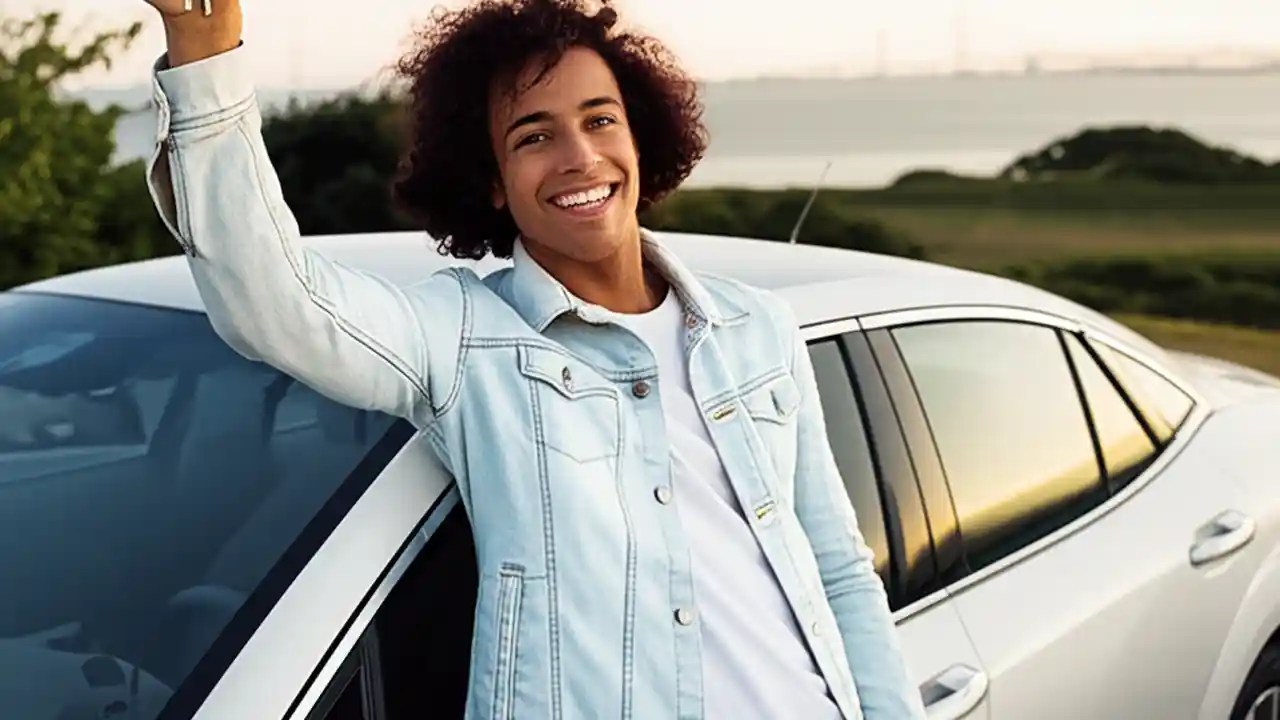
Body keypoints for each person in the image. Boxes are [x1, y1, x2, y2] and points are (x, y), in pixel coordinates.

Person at [141, 0, 928, 717]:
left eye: (600, 120)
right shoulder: (465, 341)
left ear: (638, 135)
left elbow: (837, 572)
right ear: (491, 181)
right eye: (534, 136)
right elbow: (276, 303)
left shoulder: (757, 328)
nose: (580, 158)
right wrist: (207, 59)